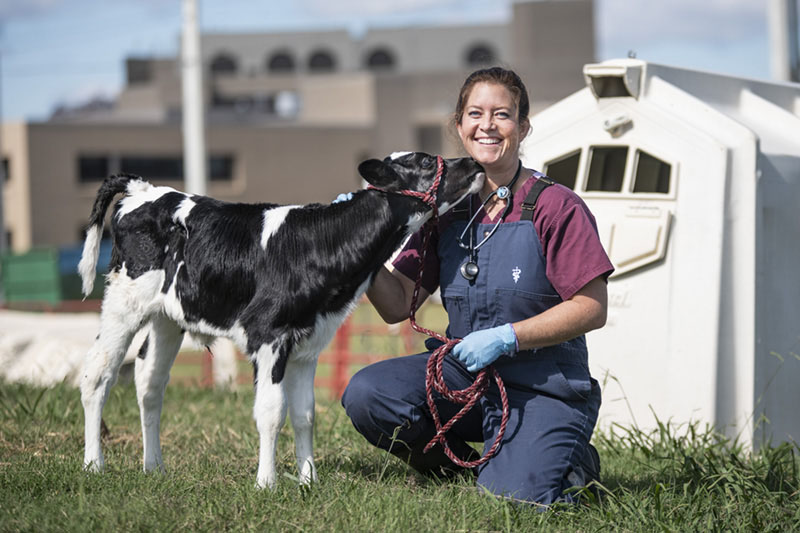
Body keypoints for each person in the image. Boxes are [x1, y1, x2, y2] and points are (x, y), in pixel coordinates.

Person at [341, 66, 614, 506]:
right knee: (369, 394)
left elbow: (592, 307)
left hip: (541, 384)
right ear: (459, 125)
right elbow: (396, 304)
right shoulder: (444, 212)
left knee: (518, 500)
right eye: (475, 113)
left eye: (502, 114)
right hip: (463, 378)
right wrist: (363, 241)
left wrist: (508, 337)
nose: (487, 125)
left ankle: (570, 460)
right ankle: (457, 471)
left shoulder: (556, 206)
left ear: (523, 127)